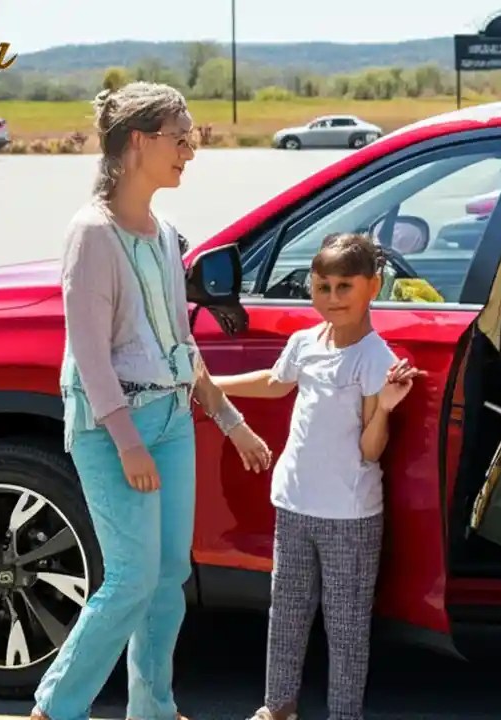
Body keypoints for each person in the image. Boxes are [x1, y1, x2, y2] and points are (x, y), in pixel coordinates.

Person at [31, 82, 274, 720]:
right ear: (139, 142)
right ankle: (54, 708)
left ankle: (154, 709)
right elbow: (88, 351)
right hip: (115, 428)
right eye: (181, 136)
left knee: (168, 582)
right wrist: (127, 438)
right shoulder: (92, 234)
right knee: (131, 580)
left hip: (170, 419)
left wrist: (229, 417)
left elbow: (177, 339)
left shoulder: (165, 233)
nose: (191, 149)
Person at [210, 233, 423, 720]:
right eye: (322, 287)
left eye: (344, 287)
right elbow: (275, 381)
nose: (331, 298)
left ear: (373, 286)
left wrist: (385, 409)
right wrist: (213, 385)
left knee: (346, 625)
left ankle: (344, 714)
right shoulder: (304, 342)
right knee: (286, 612)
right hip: (294, 500)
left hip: (348, 513)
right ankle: (278, 706)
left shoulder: (375, 359)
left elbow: (370, 452)